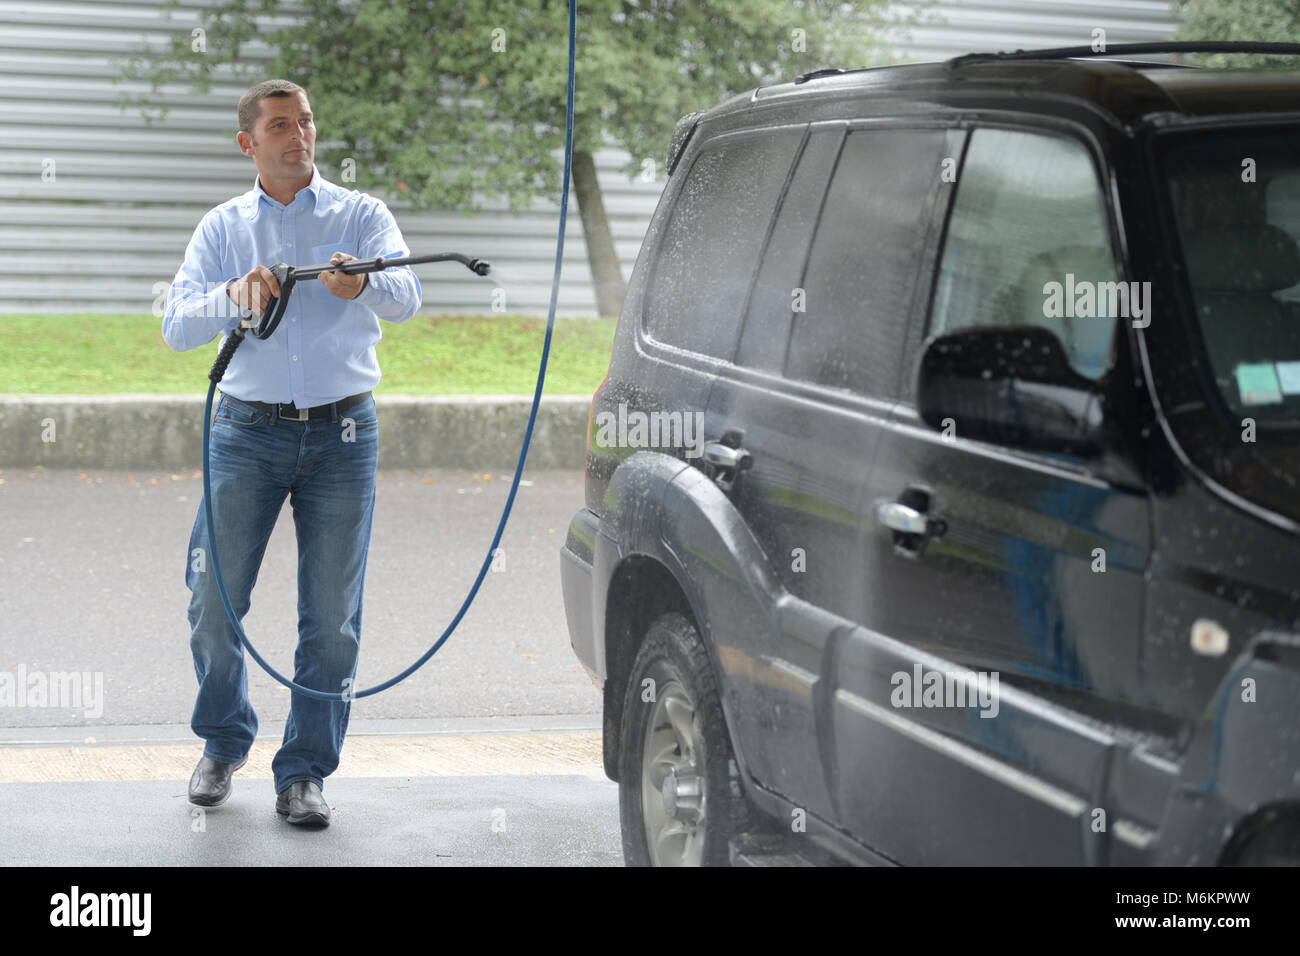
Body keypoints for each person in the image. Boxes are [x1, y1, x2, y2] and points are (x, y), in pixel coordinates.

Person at [162, 78, 421, 828]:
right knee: (214, 602)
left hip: (344, 434)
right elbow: (177, 325)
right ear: (249, 142)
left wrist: (363, 286)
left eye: (305, 120)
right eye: (280, 124)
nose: (298, 134)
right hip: (244, 432)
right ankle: (223, 738)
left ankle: (304, 771)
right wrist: (231, 298)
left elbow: (407, 296)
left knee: (333, 619)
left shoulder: (361, 214)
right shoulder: (221, 229)